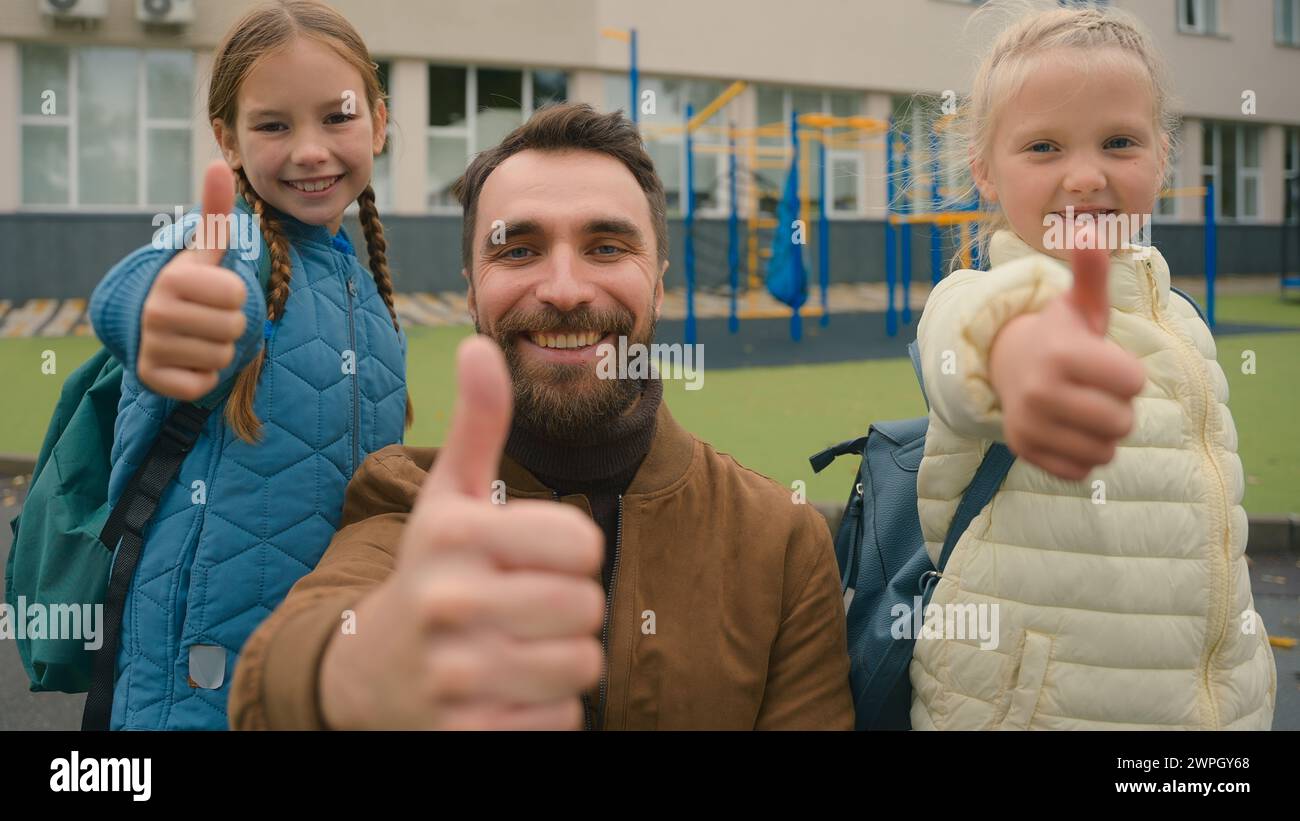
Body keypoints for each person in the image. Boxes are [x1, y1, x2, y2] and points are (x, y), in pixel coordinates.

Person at [229, 103, 854, 730]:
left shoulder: (779, 538)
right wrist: (357, 673)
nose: (564, 288)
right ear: (472, 292)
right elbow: (272, 685)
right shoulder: (405, 498)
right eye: (519, 250)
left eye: (606, 248)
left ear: (658, 286)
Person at [910, 2, 1277, 729]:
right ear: (984, 169)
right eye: (1043, 147)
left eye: (1118, 141)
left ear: (1163, 157)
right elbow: (964, 350)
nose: (1084, 176)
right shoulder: (976, 296)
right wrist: (1014, 361)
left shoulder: (1183, 322)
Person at [88, 0, 409, 729]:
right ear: (227, 139)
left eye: (337, 117)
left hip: (319, 677)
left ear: (380, 124)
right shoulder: (230, 241)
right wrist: (157, 313)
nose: (310, 149)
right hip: (197, 692)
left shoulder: (372, 296)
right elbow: (137, 288)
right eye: (273, 125)